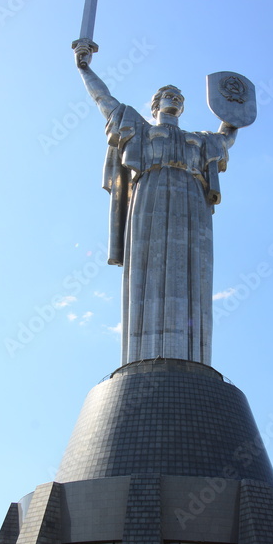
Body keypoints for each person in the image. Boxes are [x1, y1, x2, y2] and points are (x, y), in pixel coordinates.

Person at [73, 38, 238, 366]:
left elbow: (228, 136)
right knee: (146, 265)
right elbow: (104, 100)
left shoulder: (199, 140)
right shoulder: (139, 128)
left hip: (192, 200)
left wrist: (233, 110)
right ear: (155, 105)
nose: (174, 99)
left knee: (193, 269)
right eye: (168, 95)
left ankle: (191, 360)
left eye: (178, 97)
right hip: (150, 193)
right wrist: (84, 67)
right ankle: (142, 358)